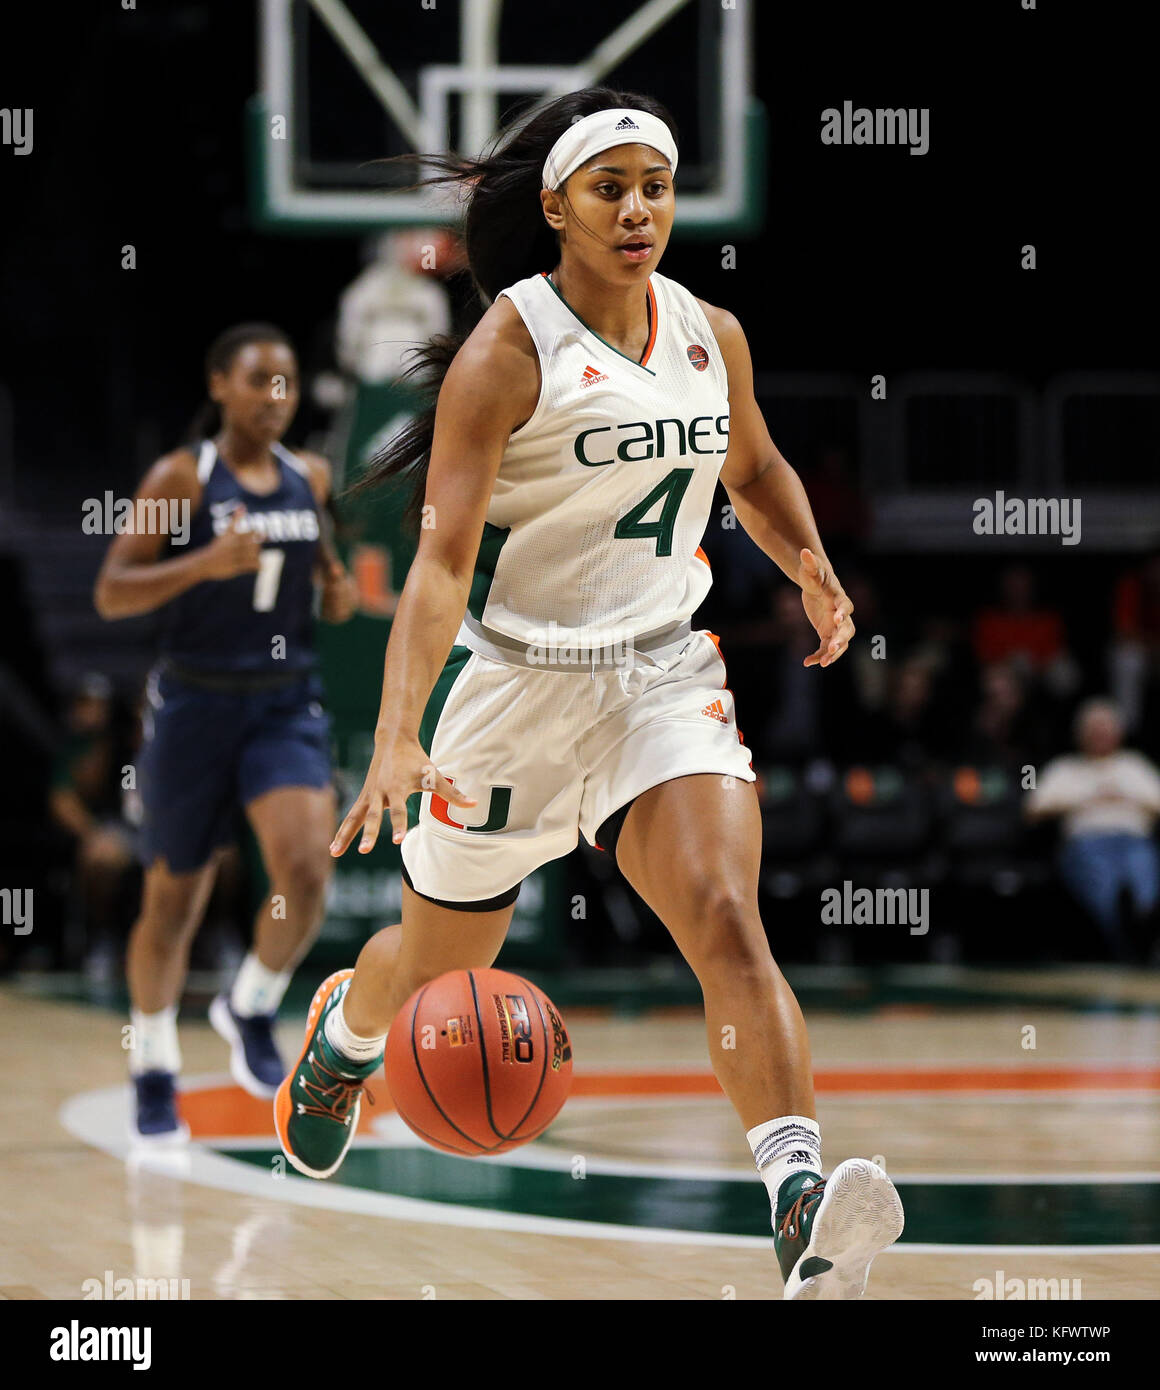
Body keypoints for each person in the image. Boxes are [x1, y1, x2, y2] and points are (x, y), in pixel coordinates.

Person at [274, 90, 903, 1300]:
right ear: (554, 204)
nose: (636, 212)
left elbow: (753, 462)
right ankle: (345, 1039)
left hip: (659, 670)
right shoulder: (504, 352)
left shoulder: (710, 332)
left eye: (654, 188)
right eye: (609, 189)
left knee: (723, 911)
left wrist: (812, 567)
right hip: (513, 687)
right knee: (431, 962)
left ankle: (799, 1204)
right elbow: (442, 564)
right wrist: (398, 733)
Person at [94, 323, 358, 1140]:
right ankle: (154, 1064)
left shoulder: (307, 476)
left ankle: (248, 1005)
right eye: (257, 381)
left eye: (285, 383)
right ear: (219, 386)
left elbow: (328, 577)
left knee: (307, 871)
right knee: (173, 900)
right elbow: (113, 592)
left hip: (283, 701)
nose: (273, 398)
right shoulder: (183, 477)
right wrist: (201, 564)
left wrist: (338, 586)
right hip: (193, 703)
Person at [1026, 698, 1160, 961]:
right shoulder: (1063, 768)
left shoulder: (1135, 765)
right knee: (1104, 884)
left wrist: (1125, 796)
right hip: (1086, 843)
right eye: (1094, 728)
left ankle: (1141, 919)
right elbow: (1032, 808)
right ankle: (1131, 937)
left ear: (1119, 732)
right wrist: (1086, 799)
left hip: (1134, 840)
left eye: (1106, 727)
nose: (1100, 734)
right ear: (1080, 734)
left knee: (1142, 869)